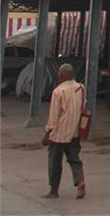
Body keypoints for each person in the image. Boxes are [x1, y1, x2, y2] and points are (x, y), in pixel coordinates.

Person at [42, 64, 86, 199]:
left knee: (54, 162)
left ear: (61, 76)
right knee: (74, 159)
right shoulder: (80, 88)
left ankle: (54, 190)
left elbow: (54, 116)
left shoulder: (58, 91)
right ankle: (80, 181)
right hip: (74, 131)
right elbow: (83, 108)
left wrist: (47, 133)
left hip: (59, 134)